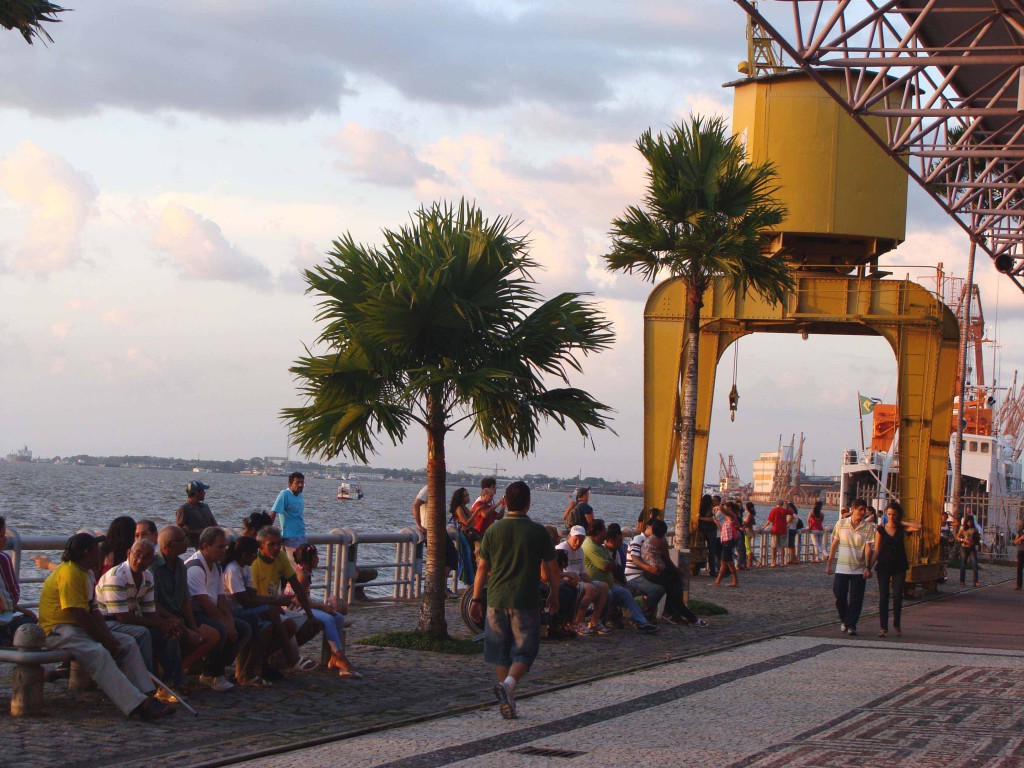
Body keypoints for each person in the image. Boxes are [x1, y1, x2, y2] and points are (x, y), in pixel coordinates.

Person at [39, 533, 171, 720]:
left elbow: (94, 610)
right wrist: (104, 639)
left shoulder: (87, 573)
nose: (100, 553)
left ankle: (148, 695)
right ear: (87, 553)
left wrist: (109, 636)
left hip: (78, 627)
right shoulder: (69, 573)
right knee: (98, 653)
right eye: (96, 550)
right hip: (58, 629)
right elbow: (78, 614)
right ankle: (136, 704)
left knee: (127, 643)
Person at [469, 480, 559, 720]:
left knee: (500, 652)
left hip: (496, 598)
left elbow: (481, 568)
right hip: (525, 599)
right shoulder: (538, 531)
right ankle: (509, 685)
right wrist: (554, 594)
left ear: (505, 503)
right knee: (525, 651)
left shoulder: (493, 531)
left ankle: (506, 694)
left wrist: (476, 598)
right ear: (528, 504)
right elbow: (553, 567)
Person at [96, 538, 185, 689]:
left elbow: (149, 611)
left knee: (169, 634)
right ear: (128, 554)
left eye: (146, 557)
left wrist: (166, 626)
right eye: (137, 555)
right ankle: (146, 685)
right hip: (106, 622)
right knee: (143, 633)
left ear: (151, 560)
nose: (140, 561)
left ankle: (172, 683)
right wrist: (160, 623)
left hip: (125, 620)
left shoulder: (148, 578)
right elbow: (122, 617)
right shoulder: (116, 577)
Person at [222, 535, 303, 682]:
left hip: (243, 610)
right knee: (271, 611)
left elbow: (252, 596)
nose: (256, 558)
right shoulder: (233, 570)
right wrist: (275, 601)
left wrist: (271, 602)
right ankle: (290, 655)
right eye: (254, 555)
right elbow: (246, 601)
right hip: (232, 612)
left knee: (271, 625)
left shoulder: (245, 568)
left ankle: (251, 669)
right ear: (246, 555)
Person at [184, 526, 253, 690]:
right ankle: (212, 674)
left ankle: (218, 666)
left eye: (225, 547)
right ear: (205, 546)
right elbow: (203, 602)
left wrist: (229, 620)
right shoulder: (195, 568)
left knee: (244, 628)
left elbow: (221, 599)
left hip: (208, 611)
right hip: (193, 614)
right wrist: (225, 623)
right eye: (220, 547)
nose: (224, 550)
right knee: (220, 629)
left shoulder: (216, 567)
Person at [149, 525, 221, 680]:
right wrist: (176, 622)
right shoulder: (153, 567)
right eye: (182, 540)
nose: (187, 541)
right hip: (160, 618)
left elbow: (185, 600)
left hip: (179, 617)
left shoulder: (180, 565)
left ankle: (177, 672)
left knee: (212, 635)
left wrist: (193, 626)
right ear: (169, 545)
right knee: (173, 634)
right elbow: (151, 603)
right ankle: (170, 680)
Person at [249, 526, 322, 671]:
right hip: (259, 608)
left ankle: (273, 656)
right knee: (288, 624)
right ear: (261, 546)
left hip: (275, 607)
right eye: (271, 544)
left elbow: (297, 587)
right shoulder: (254, 564)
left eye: (279, 543)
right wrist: (276, 601)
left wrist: (310, 614)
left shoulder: (280, 557)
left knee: (314, 624)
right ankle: (288, 658)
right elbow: (251, 598)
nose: (277, 548)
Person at [289, 543, 359, 678]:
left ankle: (335, 657)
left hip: (304, 607)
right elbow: (298, 601)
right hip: (296, 610)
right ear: (310, 559)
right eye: (316, 556)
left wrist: (324, 606)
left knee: (337, 616)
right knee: (328, 618)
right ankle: (339, 656)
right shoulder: (301, 575)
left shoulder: (304, 572)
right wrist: (322, 606)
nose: (319, 558)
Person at [583, 519, 657, 634]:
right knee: (609, 593)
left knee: (624, 593)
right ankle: (599, 622)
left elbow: (614, 566)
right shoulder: (589, 545)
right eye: (604, 530)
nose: (605, 533)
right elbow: (605, 566)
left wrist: (611, 565)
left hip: (608, 584)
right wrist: (610, 564)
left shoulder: (600, 547)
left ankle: (641, 622)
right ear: (598, 531)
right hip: (594, 584)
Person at [642, 520, 708, 627]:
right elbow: (667, 561)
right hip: (656, 572)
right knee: (676, 587)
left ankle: (673, 613)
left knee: (674, 588)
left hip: (648, 572)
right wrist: (677, 571)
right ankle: (686, 616)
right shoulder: (661, 541)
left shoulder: (649, 539)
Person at [870, 501, 921, 638]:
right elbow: (877, 550)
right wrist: (868, 567)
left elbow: (918, 527)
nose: (891, 517)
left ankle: (897, 624)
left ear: (898, 515)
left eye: (894, 514)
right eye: (889, 514)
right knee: (883, 597)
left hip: (899, 565)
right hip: (884, 565)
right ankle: (883, 627)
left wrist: (902, 523)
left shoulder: (901, 529)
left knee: (898, 596)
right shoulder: (880, 529)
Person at [825, 499, 874, 636]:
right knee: (839, 594)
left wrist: (868, 566)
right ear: (853, 509)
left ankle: (851, 624)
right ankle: (845, 619)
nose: (863, 512)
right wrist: (829, 563)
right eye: (861, 509)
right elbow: (834, 544)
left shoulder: (868, 527)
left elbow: (869, 548)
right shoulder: (841, 524)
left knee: (856, 598)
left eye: (865, 510)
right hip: (842, 567)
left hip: (859, 567)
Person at [556, 525, 608, 636]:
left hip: (578, 579)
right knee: (590, 589)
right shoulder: (562, 548)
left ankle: (594, 621)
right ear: (569, 536)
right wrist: (588, 584)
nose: (578, 543)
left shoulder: (580, 550)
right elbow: (565, 573)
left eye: (581, 540)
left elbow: (583, 572)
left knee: (603, 586)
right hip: (567, 580)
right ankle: (577, 623)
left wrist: (589, 581)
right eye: (576, 539)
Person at [413, 485, 460, 598]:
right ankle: (439, 587)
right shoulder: (428, 489)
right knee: (450, 556)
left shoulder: (437, 489)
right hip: (430, 530)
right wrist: (420, 526)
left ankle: (440, 586)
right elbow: (416, 505)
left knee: (448, 558)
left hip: (439, 529)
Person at [0, 515, 38, 644]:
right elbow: (11, 597)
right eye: (1, 536)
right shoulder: (2, 559)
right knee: (30, 622)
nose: (5, 540)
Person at [623, 517, 666, 618]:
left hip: (644, 575)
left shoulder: (653, 540)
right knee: (657, 590)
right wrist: (649, 568)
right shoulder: (638, 539)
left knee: (669, 583)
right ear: (648, 527)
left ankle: (664, 612)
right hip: (633, 576)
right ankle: (642, 616)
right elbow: (635, 559)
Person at [176, 481, 217, 549]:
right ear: (197, 493)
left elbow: (215, 524)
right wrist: (197, 532)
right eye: (203, 491)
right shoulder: (184, 508)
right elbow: (178, 530)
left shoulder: (205, 507)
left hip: (210, 541)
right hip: (196, 543)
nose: (204, 493)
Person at [271, 472, 307, 551]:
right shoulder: (284, 494)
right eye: (297, 483)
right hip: (290, 538)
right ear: (290, 484)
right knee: (294, 562)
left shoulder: (300, 495)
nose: (301, 485)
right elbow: (273, 512)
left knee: (304, 561)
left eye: (302, 482)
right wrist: (267, 534)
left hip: (301, 536)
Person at [449, 487, 476, 585]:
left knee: (472, 559)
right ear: (461, 498)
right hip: (463, 537)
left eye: (468, 495)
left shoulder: (465, 508)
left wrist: (469, 523)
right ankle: (469, 583)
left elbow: (473, 523)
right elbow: (466, 522)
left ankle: (471, 583)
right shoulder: (459, 509)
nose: (468, 497)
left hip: (468, 535)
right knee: (467, 559)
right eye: (466, 495)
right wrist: (476, 512)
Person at [712, 504, 740, 588]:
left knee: (724, 562)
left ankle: (718, 581)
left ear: (729, 508)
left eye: (725, 507)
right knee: (729, 562)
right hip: (725, 540)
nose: (723, 509)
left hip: (729, 541)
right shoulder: (727, 519)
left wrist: (717, 506)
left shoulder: (732, 516)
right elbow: (722, 530)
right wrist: (716, 522)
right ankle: (735, 580)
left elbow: (722, 509)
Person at [763, 499, 789, 567]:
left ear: (776, 504)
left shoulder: (773, 510)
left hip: (775, 530)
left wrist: (764, 526)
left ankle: (773, 562)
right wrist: (787, 505)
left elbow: (769, 520)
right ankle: (782, 562)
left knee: (773, 547)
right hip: (783, 530)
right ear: (782, 504)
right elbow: (790, 512)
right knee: (782, 547)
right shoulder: (784, 510)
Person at [697, 494, 718, 577]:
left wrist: (700, 518)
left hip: (702, 530)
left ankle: (699, 566)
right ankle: (712, 570)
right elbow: (712, 519)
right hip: (711, 531)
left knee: (700, 549)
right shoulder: (711, 509)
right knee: (712, 551)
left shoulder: (700, 508)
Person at [958, 512, 981, 587]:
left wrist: (975, 541)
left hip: (972, 547)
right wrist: (963, 540)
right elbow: (957, 537)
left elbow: (977, 538)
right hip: (964, 547)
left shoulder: (974, 529)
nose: (970, 523)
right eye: (968, 522)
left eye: (971, 522)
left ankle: (975, 581)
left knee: (974, 564)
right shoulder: (962, 528)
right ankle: (962, 581)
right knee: (963, 564)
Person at [742, 502, 759, 568]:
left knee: (748, 548)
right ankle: (756, 561)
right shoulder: (751, 514)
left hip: (747, 532)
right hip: (750, 531)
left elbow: (745, 523)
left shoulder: (749, 514)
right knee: (748, 548)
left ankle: (749, 563)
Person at [1013, 523, 1024, 590]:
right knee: (1019, 568)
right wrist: (1021, 538)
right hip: (1021, 551)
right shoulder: (1020, 530)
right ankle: (1019, 585)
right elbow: (1015, 542)